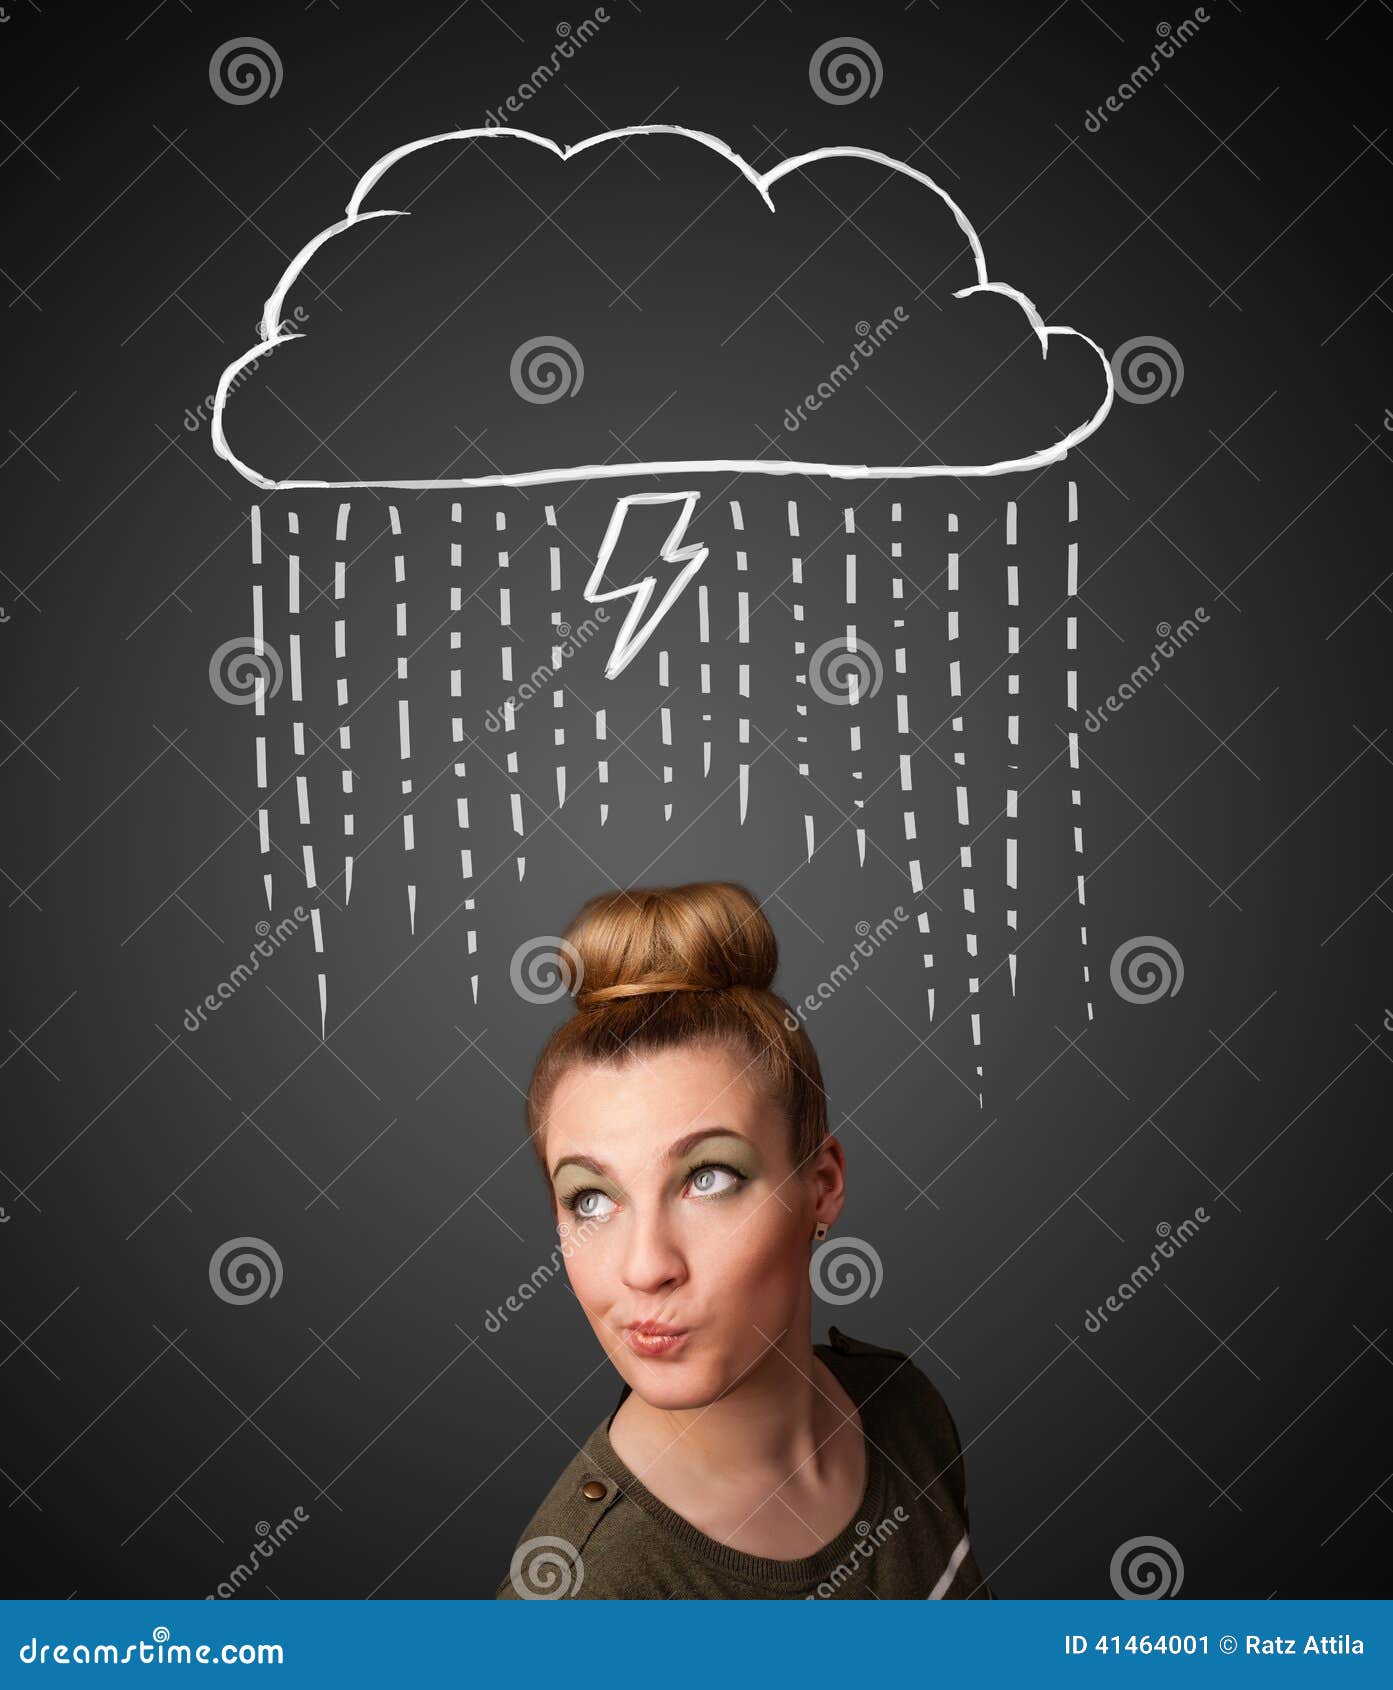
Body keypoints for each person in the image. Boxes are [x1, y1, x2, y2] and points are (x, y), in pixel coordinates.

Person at [496, 880, 992, 1599]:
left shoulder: (906, 1409)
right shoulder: (582, 1597)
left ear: (821, 1185)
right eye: (591, 1199)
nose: (646, 1267)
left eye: (708, 1179)